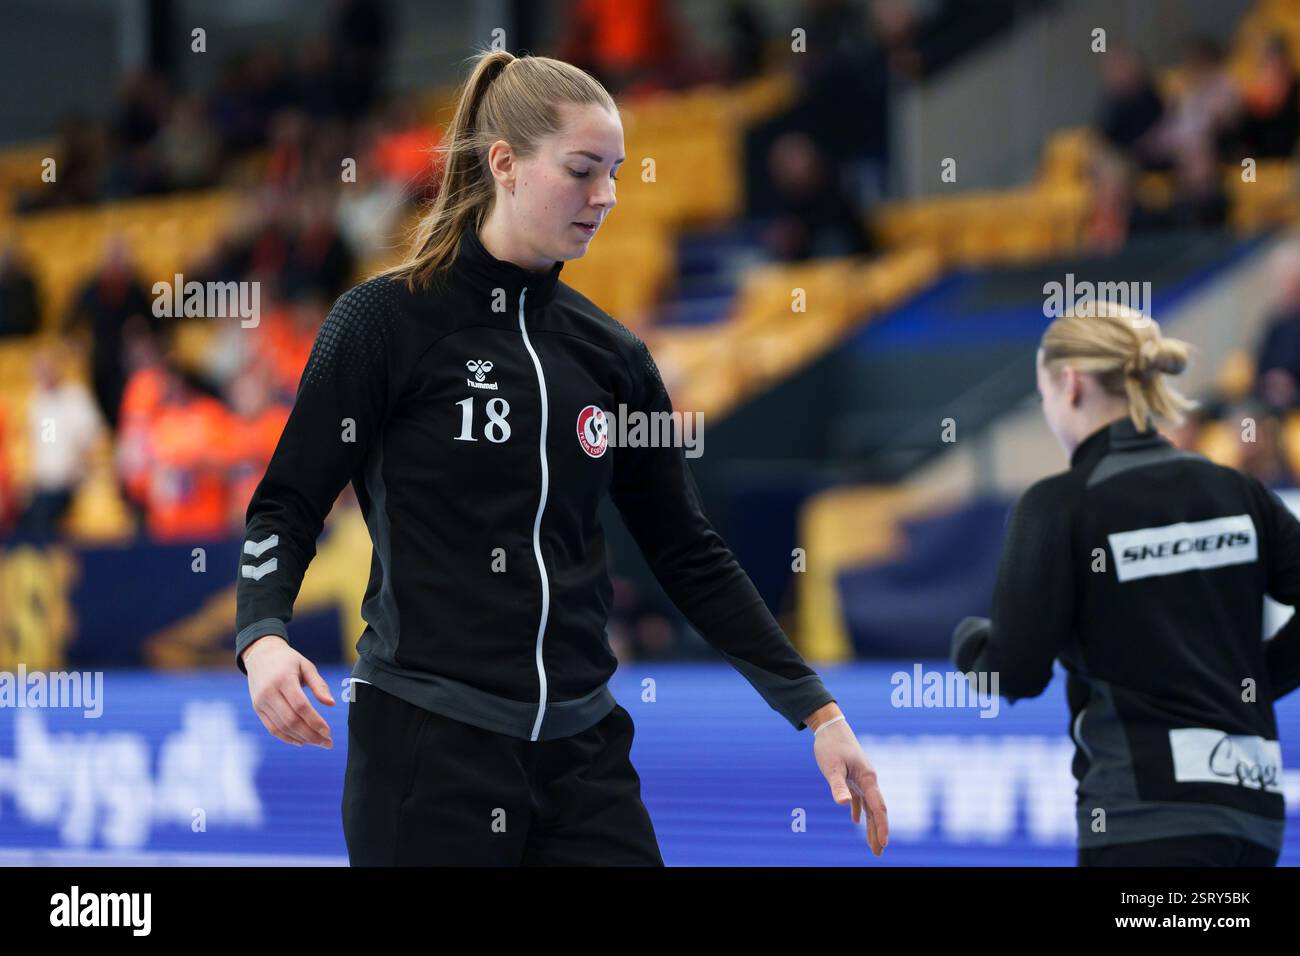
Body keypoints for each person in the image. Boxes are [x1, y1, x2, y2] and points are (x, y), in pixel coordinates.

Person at [234, 50, 889, 866]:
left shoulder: (613, 356)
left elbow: (689, 552)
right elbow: (287, 503)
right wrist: (262, 635)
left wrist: (816, 712)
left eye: (613, 173)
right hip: (426, 751)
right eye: (583, 171)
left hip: (584, 758)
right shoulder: (382, 324)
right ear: (504, 164)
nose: (606, 197)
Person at [951, 303, 1299, 867]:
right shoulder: (1236, 492)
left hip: (1143, 821)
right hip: (1253, 821)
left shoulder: (1059, 506)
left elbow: (1013, 671)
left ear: (1070, 383)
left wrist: (969, 643)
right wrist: (1251, 684)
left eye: (1042, 396)